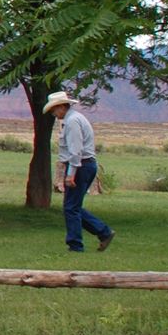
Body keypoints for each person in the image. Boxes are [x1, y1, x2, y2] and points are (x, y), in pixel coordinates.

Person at [45, 90, 113, 253]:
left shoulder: (72, 121)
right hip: (84, 165)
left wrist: (70, 174)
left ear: (62, 106)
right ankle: (102, 232)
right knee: (72, 206)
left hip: (81, 166)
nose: (54, 114)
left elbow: (76, 150)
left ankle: (77, 244)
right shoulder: (72, 119)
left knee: (71, 208)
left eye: (54, 110)